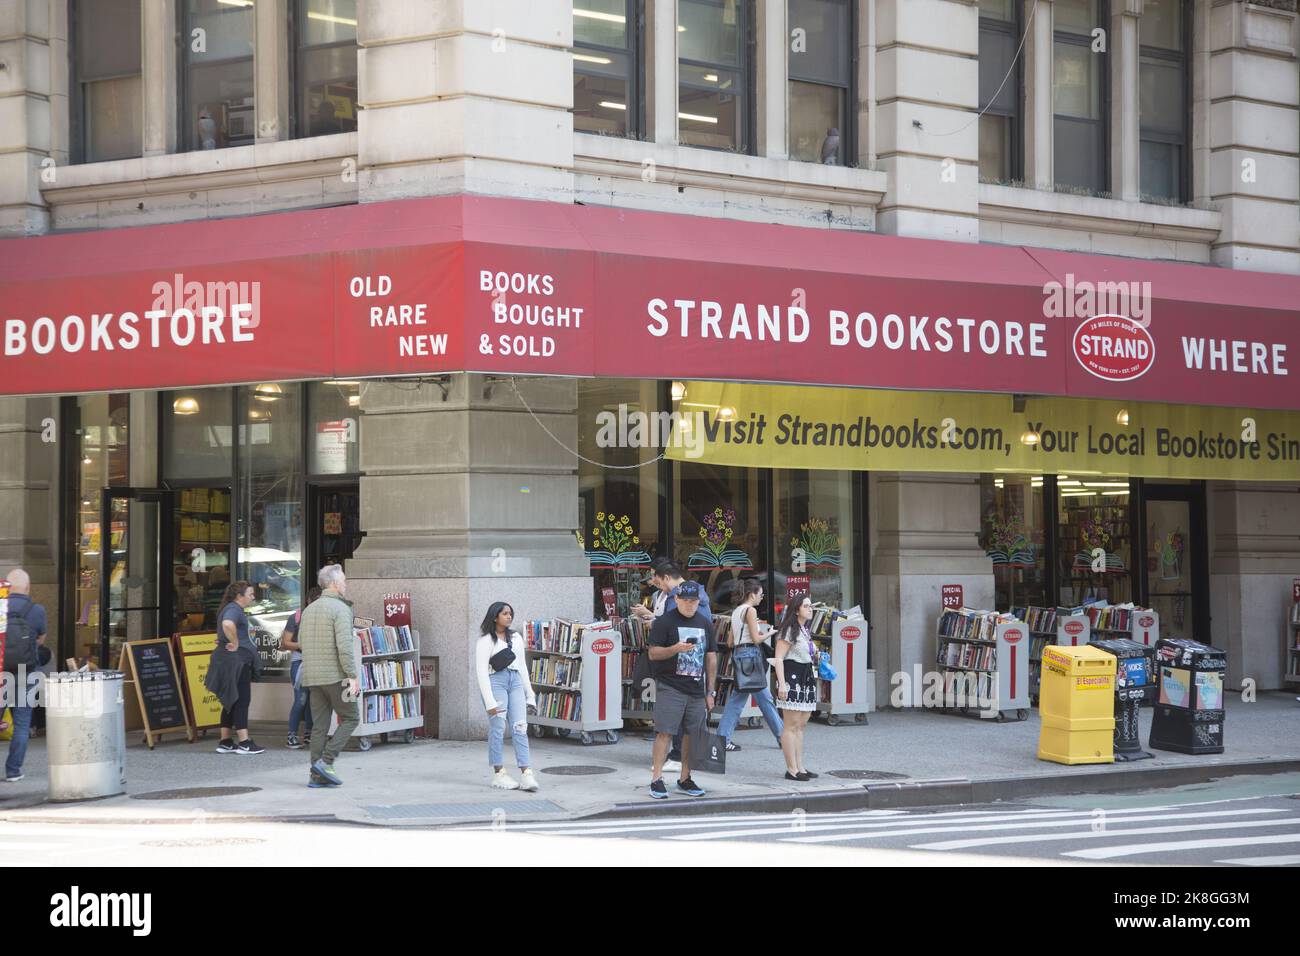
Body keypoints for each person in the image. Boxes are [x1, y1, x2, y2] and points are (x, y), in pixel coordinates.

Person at [632, 557, 711, 770]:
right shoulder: (699, 599)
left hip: (684, 668)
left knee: (675, 723)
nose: (689, 605)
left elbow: (706, 647)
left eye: (658, 583)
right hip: (688, 668)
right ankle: (675, 767)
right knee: (681, 723)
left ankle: (678, 760)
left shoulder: (678, 600)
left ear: (667, 578)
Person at [646, 580, 716, 799]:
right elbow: (653, 653)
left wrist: (710, 691)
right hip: (670, 685)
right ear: (676, 599)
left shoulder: (705, 622)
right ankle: (656, 779)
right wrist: (675, 649)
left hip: (696, 687)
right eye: (685, 600)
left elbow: (711, 657)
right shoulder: (664, 622)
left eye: (694, 601)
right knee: (665, 732)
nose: (690, 605)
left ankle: (685, 778)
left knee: (692, 735)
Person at [298, 564, 359, 788]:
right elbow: (344, 646)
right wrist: (352, 675)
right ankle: (326, 761)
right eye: (343, 580)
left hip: (313, 676)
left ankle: (315, 776)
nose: (345, 583)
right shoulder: (340, 609)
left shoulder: (309, 609)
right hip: (336, 676)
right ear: (334, 583)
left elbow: (302, 643)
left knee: (319, 727)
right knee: (352, 717)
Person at [475, 602, 540, 792]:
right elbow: (481, 673)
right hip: (496, 682)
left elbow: (522, 667)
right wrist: (489, 702)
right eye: (505, 614)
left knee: (520, 726)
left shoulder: (516, 638)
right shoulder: (485, 641)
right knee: (498, 725)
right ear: (495, 617)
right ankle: (499, 773)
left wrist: (530, 694)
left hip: (516, 681)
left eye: (510, 613)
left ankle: (526, 772)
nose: (509, 617)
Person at [717, 578, 783, 753]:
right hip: (751, 657)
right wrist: (769, 633)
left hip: (739, 655)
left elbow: (730, 642)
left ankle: (723, 738)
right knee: (764, 699)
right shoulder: (751, 611)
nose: (762, 597)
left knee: (739, 700)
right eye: (761, 594)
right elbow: (756, 639)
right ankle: (784, 738)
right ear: (752, 594)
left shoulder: (736, 611)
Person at [206, 581, 264, 755]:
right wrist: (235, 642)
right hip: (236, 662)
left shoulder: (230, 608)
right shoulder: (233, 610)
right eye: (250, 594)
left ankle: (225, 741)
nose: (253, 598)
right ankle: (245, 742)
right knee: (241, 700)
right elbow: (227, 624)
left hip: (227, 660)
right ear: (240, 596)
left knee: (230, 699)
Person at [3, 569, 47, 783]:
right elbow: (41, 639)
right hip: (26, 672)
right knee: (22, 722)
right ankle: (13, 771)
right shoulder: (36, 610)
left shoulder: (1, 607)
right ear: (28, 587)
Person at [772, 595, 819, 781]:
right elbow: (778, 658)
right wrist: (782, 684)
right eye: (806, 606)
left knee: (801, 725)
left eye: (810, 605)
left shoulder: (804, 630)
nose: (810, 609)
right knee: (790, 726)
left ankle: (800, 767)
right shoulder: (788, 630)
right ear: (796, 609)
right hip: (792, 677)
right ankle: (791, 769)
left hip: (806, 676)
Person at [280, 586, 322, 750]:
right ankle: (291, 735)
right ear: (308, 601)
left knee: (313, 700)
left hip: (316, 662)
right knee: (301, 699)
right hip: (300, 662)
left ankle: (309, 734)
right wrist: (302, 645)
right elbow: (285, 642)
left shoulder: (323, 617)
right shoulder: (297, 617)